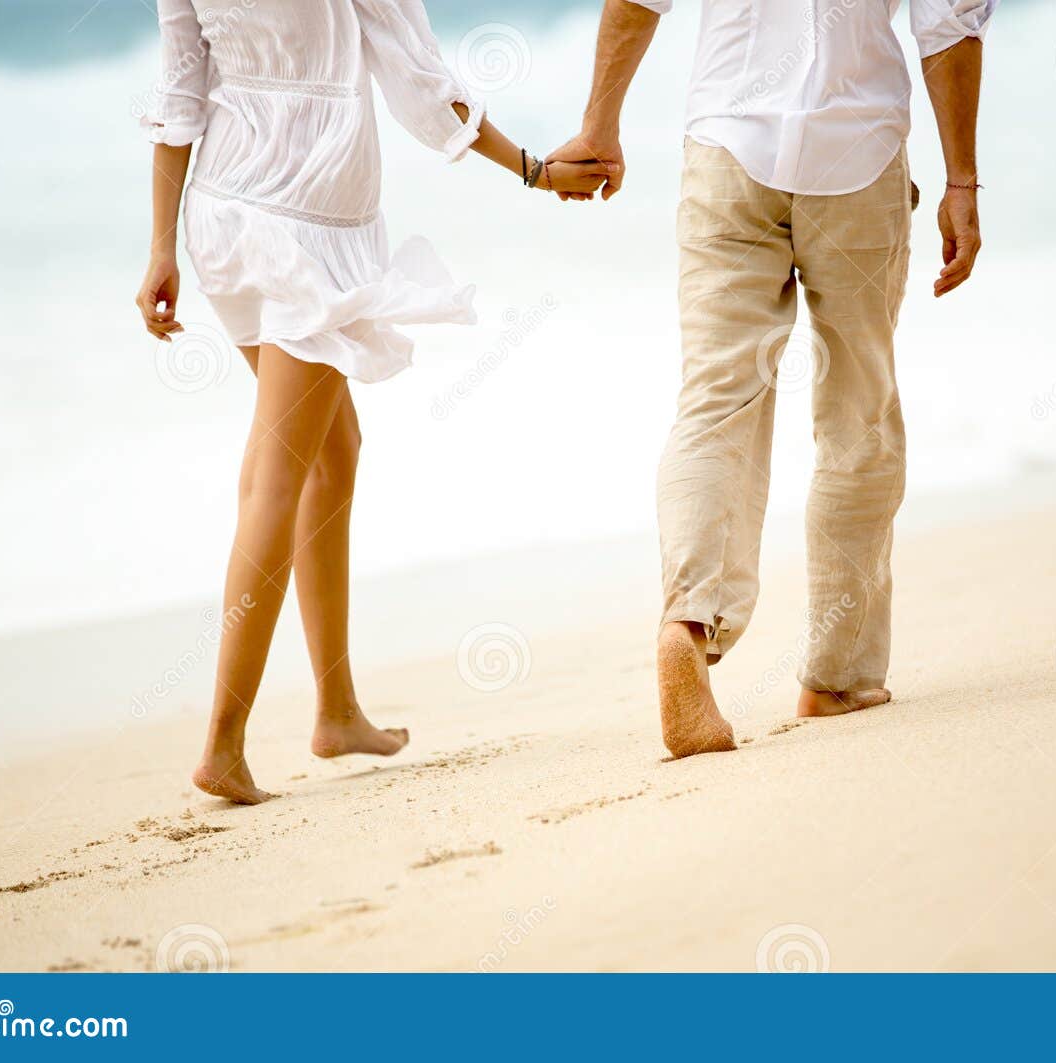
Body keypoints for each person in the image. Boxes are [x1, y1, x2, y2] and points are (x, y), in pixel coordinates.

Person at [134, 0, 615, 804]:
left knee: (333, 447)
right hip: (308, 224)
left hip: (219, 214)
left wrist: (160, 245)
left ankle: (336, 708)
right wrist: (532, 168)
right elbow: (423, 84)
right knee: (275, 475)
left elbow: (181, 92)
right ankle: (223, 742)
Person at [548, 0, 996, 758]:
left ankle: (687, 623)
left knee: (716, 400)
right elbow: (949, 22)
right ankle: (838, 673)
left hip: (729, 143)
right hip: (855, 153)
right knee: (861, 410)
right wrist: (962, 181)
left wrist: (599, 126)